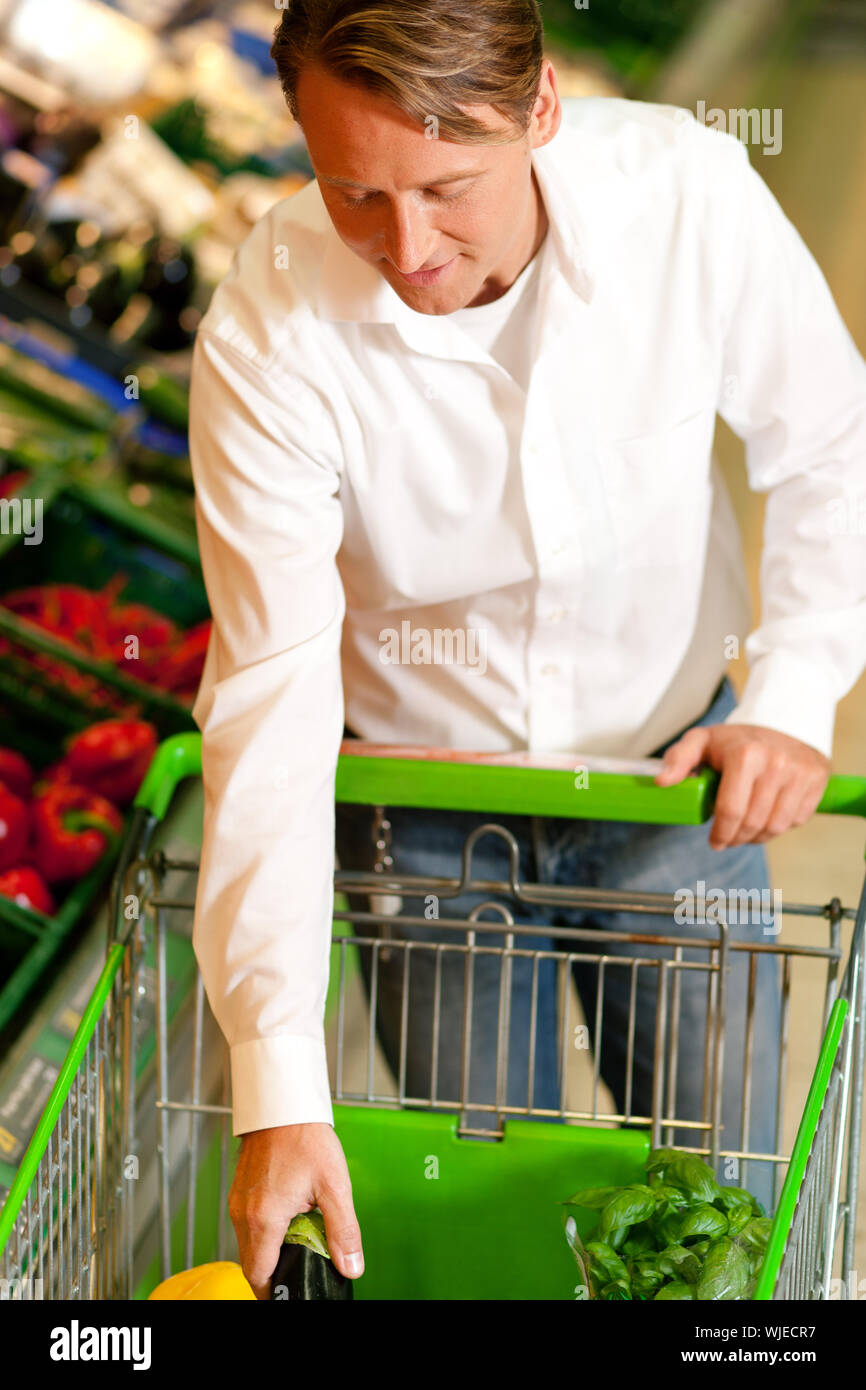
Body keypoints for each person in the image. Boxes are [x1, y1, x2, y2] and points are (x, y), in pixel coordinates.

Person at [187, 0, 866, 1298]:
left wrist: (788, 692)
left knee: (717, 1204)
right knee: (474, 1193)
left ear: (540, 109)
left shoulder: (680, 195)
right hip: (423, 810)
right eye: (352, 192)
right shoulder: (272, 330)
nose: (406, 245)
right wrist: (275, 1080)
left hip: (674, 780)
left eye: (447, 188)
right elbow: (268, 693)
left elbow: (826, 442)